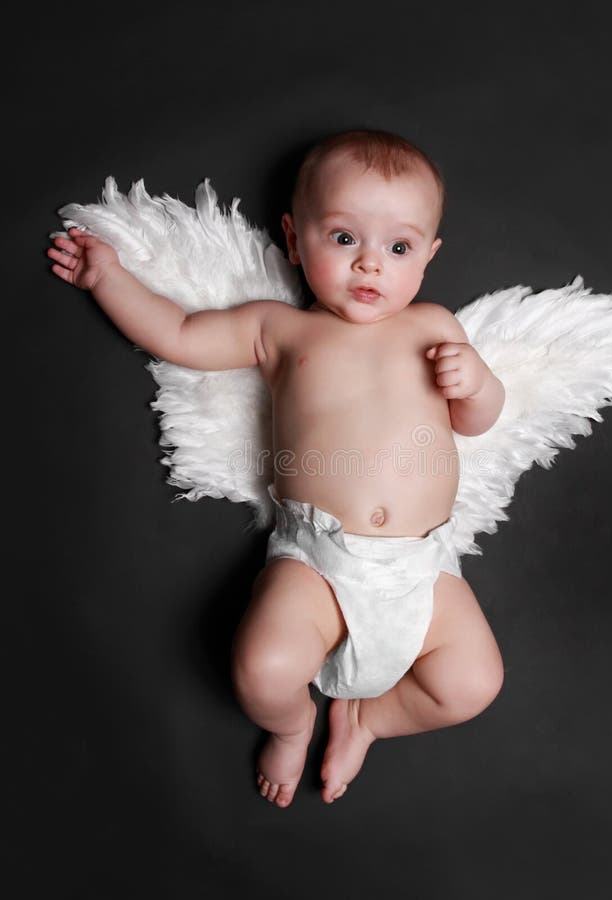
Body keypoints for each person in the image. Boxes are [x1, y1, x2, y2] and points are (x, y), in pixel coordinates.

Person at [48, 129, 507, 808]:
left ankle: (366, 721)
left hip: (422, 565)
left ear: (428, 257)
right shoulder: (280, 330)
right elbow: (177, 335)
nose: (369, 267)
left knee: (472, 684)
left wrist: (475, 383)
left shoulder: (434, 326)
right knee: (261, 669)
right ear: (295, 240)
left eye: (398, 248)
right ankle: (293, 727)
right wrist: (108, 278)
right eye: (344, 238)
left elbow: (477, 420)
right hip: (317, 556)